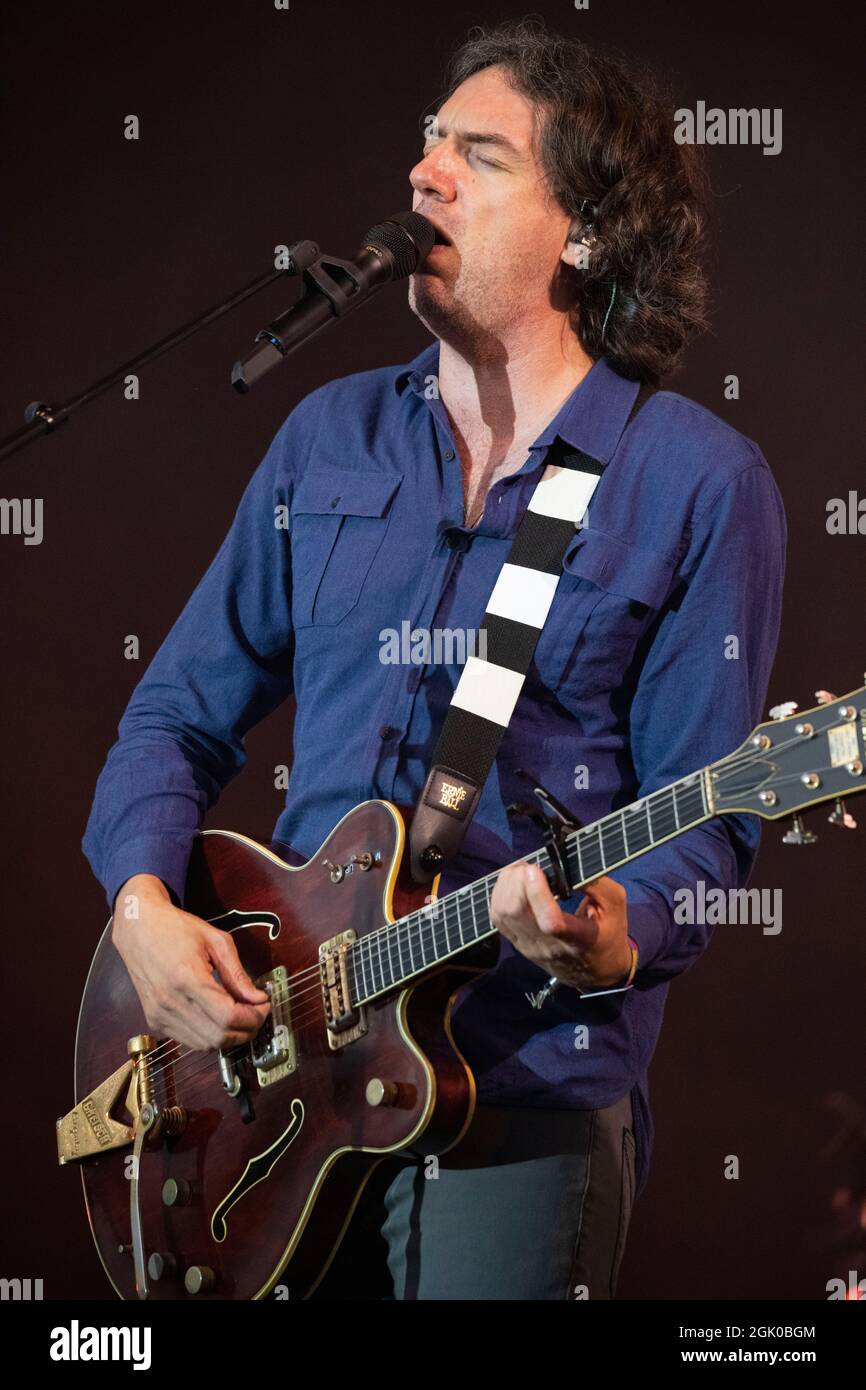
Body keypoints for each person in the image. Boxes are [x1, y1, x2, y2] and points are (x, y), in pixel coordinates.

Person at [82, 17, 785, 1300]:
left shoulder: (693, 481)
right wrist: (143, 913)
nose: (422, 175)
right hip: (281, 1092)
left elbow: (710, 814)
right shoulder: (327, 438)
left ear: (584, 230)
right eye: (423, 145)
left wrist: (611, 931)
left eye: (478, 154)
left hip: (515, 1100)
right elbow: (174, 715)